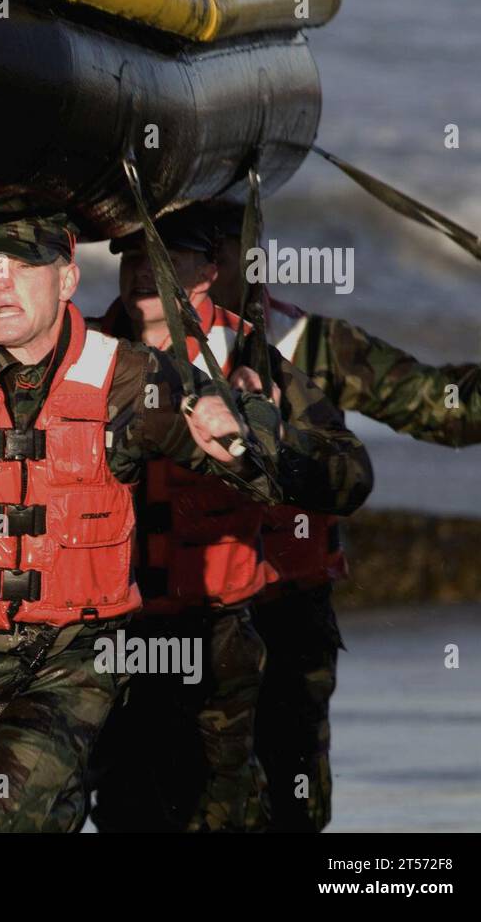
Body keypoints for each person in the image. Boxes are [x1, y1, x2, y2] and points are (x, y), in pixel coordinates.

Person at [0, 216, 369, 832]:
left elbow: (291, 466)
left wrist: (242, 434)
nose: (2, 286)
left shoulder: (137, 377)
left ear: (68, 279)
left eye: (21, 270)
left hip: (97, 649)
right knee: (45, 812)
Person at [199, 204, 481, 832]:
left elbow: (452, 410)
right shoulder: (118, 345)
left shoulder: (308, 342)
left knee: (291, 807)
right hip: (166, 617)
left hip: (285, 611)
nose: (199, 274)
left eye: (219, 254)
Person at [88, 212, 371, 832]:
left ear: (207, 274)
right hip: (112, 630)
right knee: (127, 809)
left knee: (231, 809)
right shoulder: (81, 353)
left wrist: (262, 435)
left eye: (163, 258)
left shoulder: (250, 359)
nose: (142, 272)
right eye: (131, 257)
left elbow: (350, 473)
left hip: (215, 625)